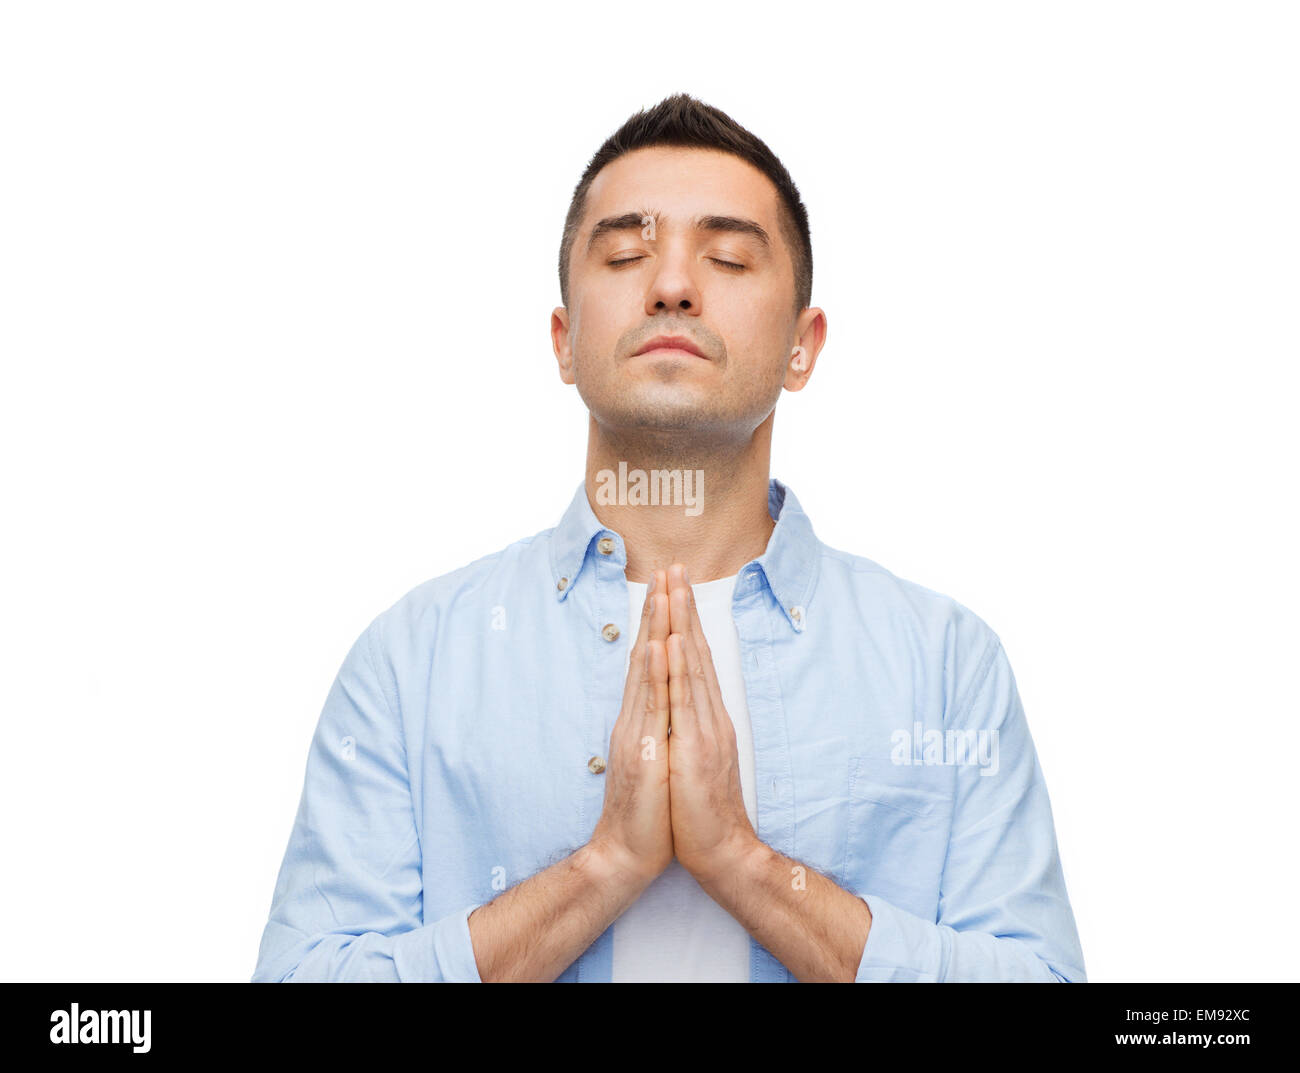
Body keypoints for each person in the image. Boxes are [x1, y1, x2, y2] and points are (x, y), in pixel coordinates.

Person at [251, 93, 1086, 983]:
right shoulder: (413, 662)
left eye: (726, 256)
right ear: (564, 344)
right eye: (624, 254)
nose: (673, 285)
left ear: (804, 347)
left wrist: (744, 863)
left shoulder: (946, 664)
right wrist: (602, 868)